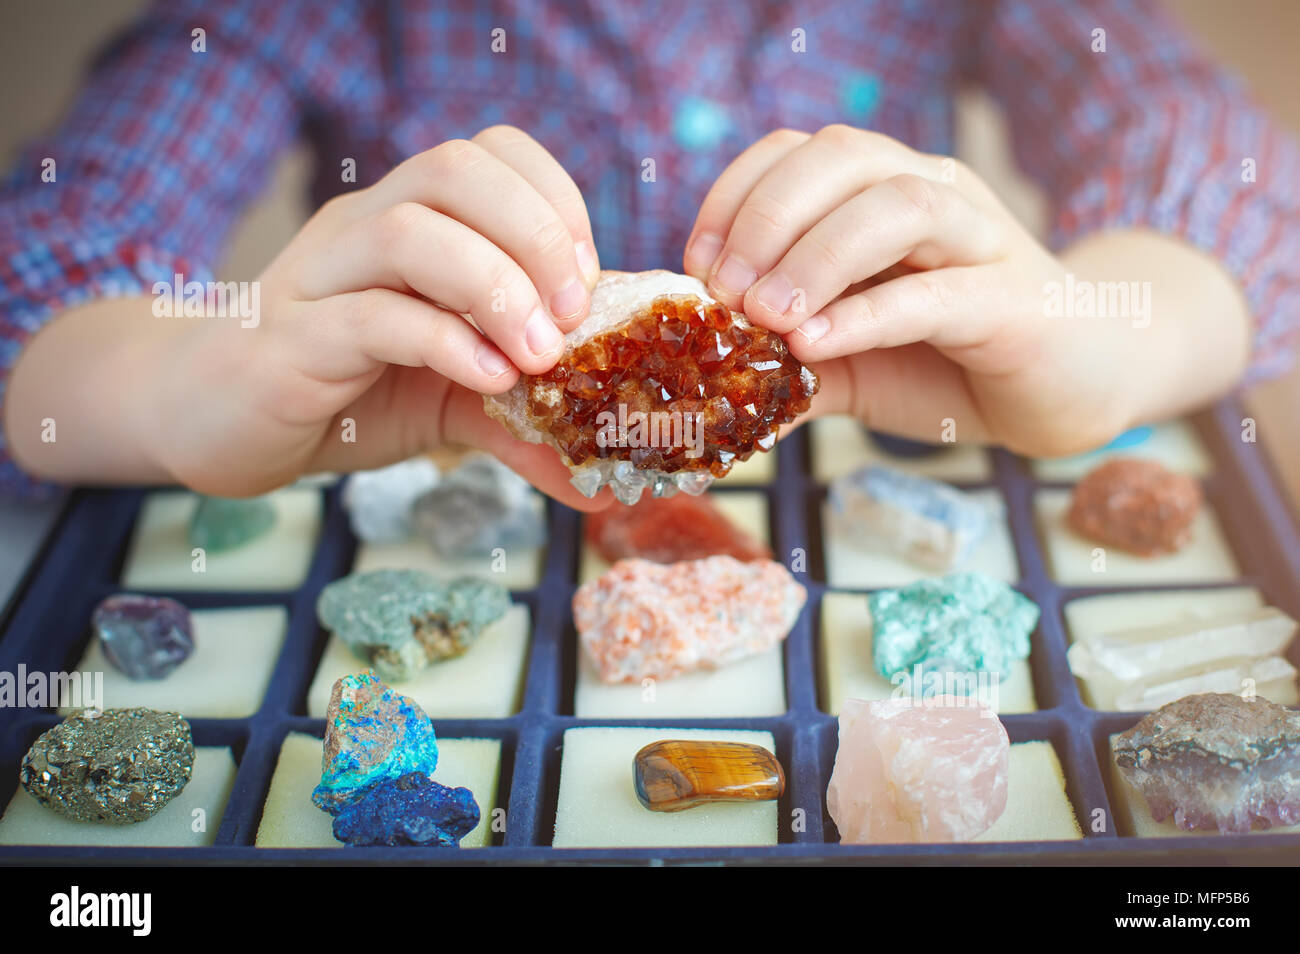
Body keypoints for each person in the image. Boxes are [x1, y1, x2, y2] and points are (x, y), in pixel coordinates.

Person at [1, 0, 1296, 506]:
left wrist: (1112, 342)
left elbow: (1218, 156)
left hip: (863, 477)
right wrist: (170, 392)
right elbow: (59, 235)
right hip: (432, 485)